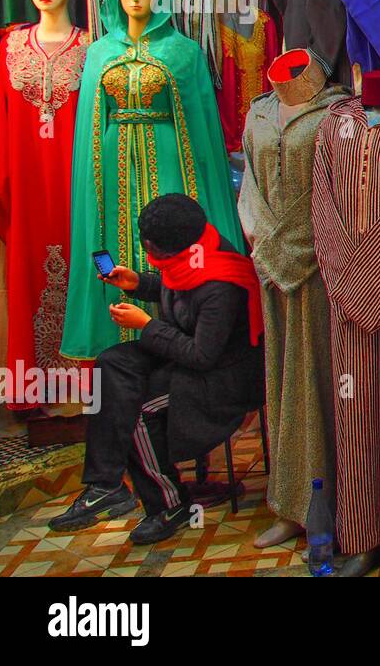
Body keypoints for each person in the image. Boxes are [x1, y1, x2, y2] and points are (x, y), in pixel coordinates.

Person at [48, 195, 264, 545]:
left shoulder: (222, 283)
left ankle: (170, 504)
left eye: (150, 247)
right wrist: (139, 284)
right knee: (110, 364)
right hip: (183, 354)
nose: (148, 250)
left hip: (221, 378)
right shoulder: (196, 249)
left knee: (137, 409)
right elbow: (177, 287)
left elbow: (202, 355)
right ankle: (106, 484)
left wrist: (147, 325)